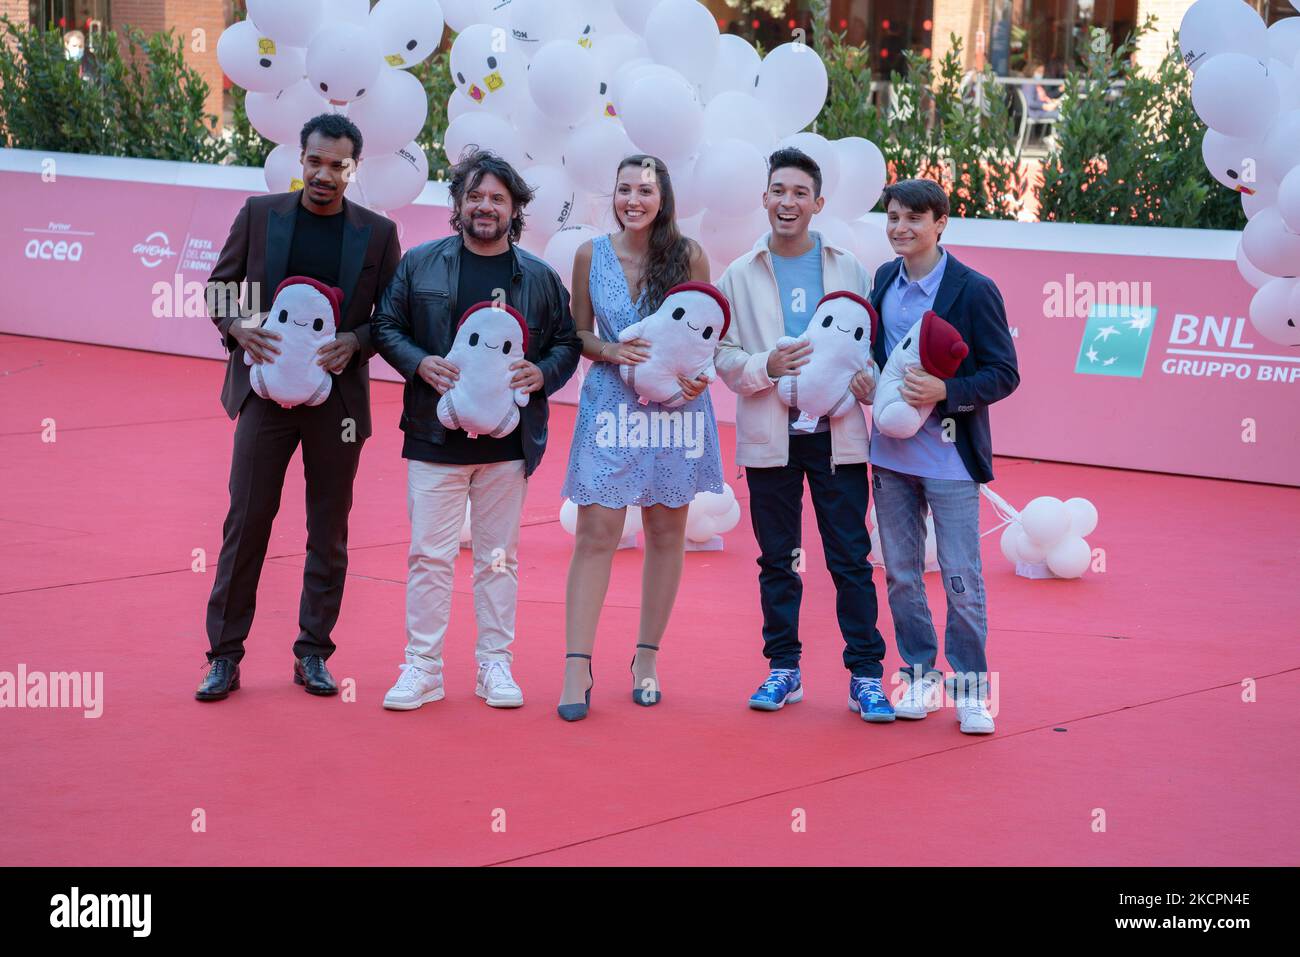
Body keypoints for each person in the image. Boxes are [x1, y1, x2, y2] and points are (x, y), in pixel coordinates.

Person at [197, 113, 401, 701]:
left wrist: (357, 342)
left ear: (352, 168)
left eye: (338, 165)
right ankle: (224, 656)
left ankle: (313, 652)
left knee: (328, 529)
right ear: (300, 159)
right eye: (315, 161)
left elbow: (390, 317)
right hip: (263, 396)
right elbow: (220, 287)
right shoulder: (261, 217)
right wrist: (238, 327)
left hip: (336, 402)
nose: (324, 174)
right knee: (247, 521)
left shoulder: (377, 233)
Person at [372, 148, 580, 712]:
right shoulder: (419, 263)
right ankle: (422, 667)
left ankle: (495, 664)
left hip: (507, 445)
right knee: (429, 556)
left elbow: (567, 341)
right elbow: (386, 324)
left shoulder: (538, 276)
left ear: (515, 210)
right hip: (432, 436)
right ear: (458, 204)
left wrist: (544, 372)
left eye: (497, 198)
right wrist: (418, 361)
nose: (484, 207)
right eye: (475, 196)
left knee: (498, 558)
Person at [714, 147, 893, 722]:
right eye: (778, 191)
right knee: (778, 559)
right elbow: (724, 355)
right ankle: (782, 669)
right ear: (764, 198)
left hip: (839, 435)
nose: (787, 202)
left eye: (799, 194)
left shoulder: (850, 268)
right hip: (771, 433)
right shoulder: (738, 274)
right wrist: (768, 365)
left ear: (817, 204)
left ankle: (866, 675)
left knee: (850, 558)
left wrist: (868, 384)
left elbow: (868, 349)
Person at [556, 155, 721, 722]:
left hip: (677, 409)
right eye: (624, 188)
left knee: (666, 527)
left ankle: (646, 660)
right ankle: (578, 664)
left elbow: (708, 336)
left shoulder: (689, 255)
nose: (633, 199)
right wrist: (610, 350)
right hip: (610, 406)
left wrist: (699, 379)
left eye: (645, 189)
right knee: (596, 529)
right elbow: (577, 332)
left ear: (663, 195)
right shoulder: (589, 254)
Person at [867, 178, 1019, 735]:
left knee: (961, 577)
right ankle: (917, 677)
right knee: (903, 575)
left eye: (913, 218)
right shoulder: (883, 280)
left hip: (951, 460)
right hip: (889, 458)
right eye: (893, 217)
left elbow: (1004, 373)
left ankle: (972, 688)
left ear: (940, 224)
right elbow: (877, 357)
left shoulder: (974, 289)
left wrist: (945, 393)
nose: (900, 228)